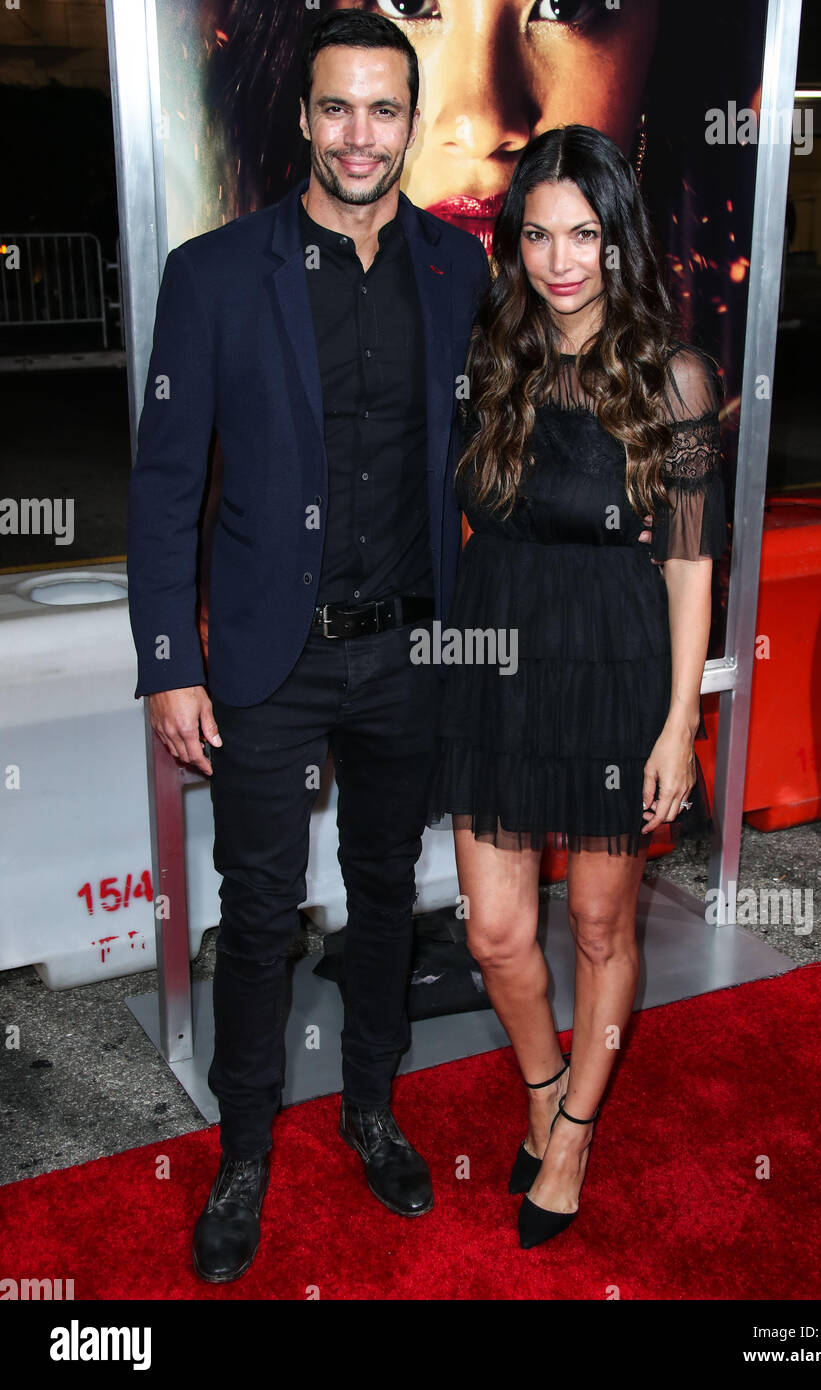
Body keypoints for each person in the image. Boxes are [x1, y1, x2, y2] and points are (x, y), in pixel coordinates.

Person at [127, 10, 489, 1283]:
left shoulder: (457, 272)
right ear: (302, 119)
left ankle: (374, 1108)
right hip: (266, 665)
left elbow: (490, 469)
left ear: (409, 119)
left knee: (388, 897)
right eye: (336, 108)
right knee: (262, 913)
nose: (359, 134)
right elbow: (167, 483)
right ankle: (240, 1153)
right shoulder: (215, 272)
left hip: (406, 654)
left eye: (383, 110)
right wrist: (172, 658)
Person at [426, 124, 727, 1248]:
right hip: (497, 658)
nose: (560, 261)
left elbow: (692, 559)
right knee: (498, 935)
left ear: (618, 240)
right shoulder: (490, 357)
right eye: (540, 235)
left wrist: (674, 722)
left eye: (584, 235)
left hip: (614, 659)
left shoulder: (674, 376)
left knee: (600, 928)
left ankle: (578, 1135)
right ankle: (546, 1090)